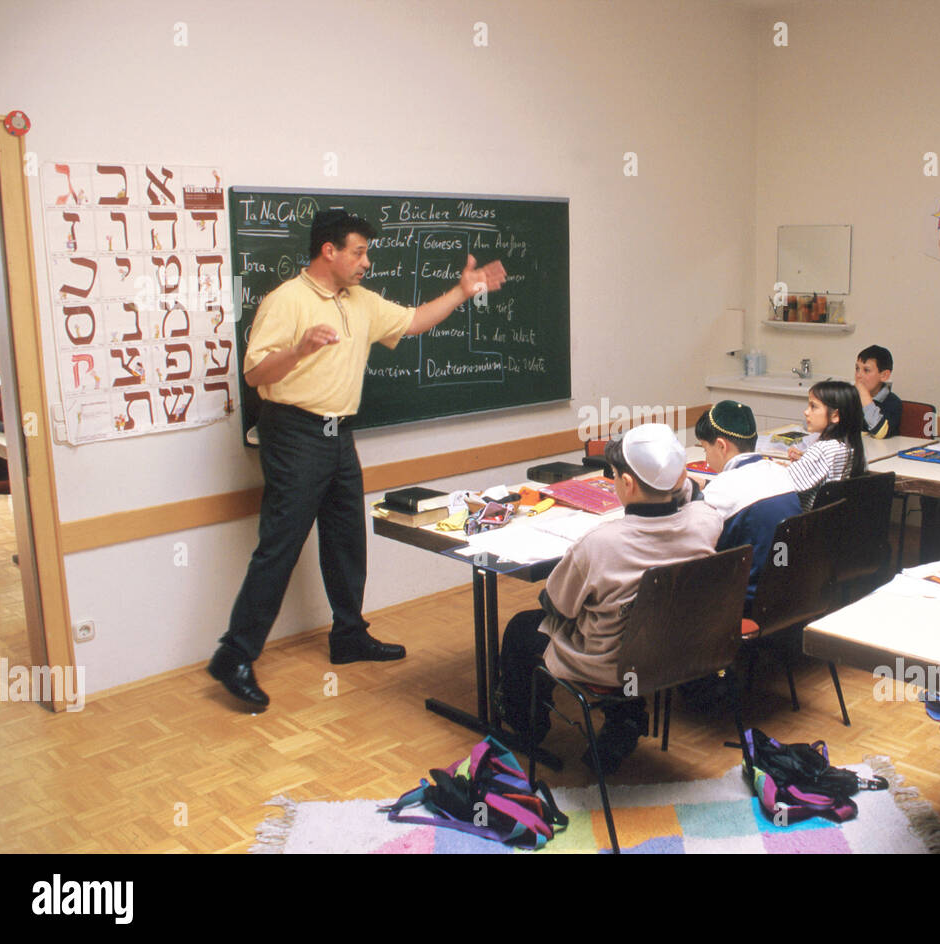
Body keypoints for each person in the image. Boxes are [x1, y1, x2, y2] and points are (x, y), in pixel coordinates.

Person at [207, 210, 507, 709]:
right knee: (280, 545)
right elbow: (257, 374)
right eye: (359, 251)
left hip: (338, 433)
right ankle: (234, 654)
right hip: (295, 432)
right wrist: (301, 348)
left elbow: (412, 322)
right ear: (330, 251)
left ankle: (348, 635)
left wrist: (463, 291)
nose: (367, 261)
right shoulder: (288, 300)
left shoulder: (359, 301)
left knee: (347, 536)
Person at [496, 424, 723, 773]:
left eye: (615, 475)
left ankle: (529, 729)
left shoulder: (599, 544)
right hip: (679, 652)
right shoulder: (706, 522)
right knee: (626, 624)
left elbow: (557, 604)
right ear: (680, 479)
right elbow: (696, 499)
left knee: (521, 628)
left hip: (609, 664)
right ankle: (624, 716)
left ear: (627, 484)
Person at [694, 400, 801, 609]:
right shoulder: (780, 472)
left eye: (706, 450)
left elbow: (692, 544)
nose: (706, 461)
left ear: (721, 445)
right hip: (788, 590)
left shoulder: (721, 490)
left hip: (747, 600)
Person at [785, 380, 866, 510]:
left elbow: (783, 482)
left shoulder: (822, 450)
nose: (806, 412)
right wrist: (804, 461)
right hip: (830, 521)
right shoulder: (848, 446)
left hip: (804, 523)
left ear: (835, 415)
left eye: (813, 406)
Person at [854, 345, 902, 438]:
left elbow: (880, 432)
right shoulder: (851, 397)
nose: (858, 375)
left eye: (866, 370)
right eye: (857, 369)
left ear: (884, 375)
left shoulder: (892, 402)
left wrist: (864, 395)